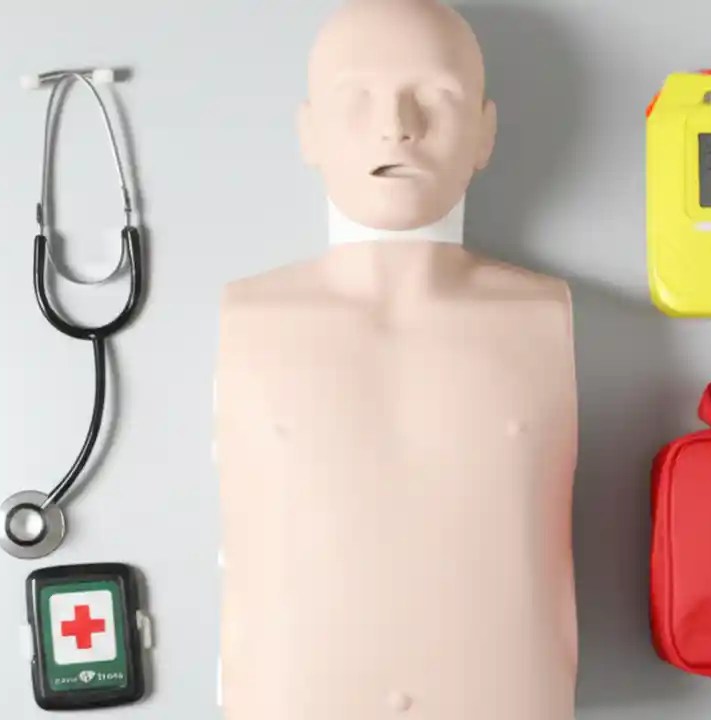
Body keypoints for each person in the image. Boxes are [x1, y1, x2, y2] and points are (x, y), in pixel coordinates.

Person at [214, 1, 579, 717]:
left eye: (436, 96)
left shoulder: (544, 315)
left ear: (485, 132)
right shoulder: (249, 319)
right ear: (309, 131)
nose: (397, 126)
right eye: (358, 97)